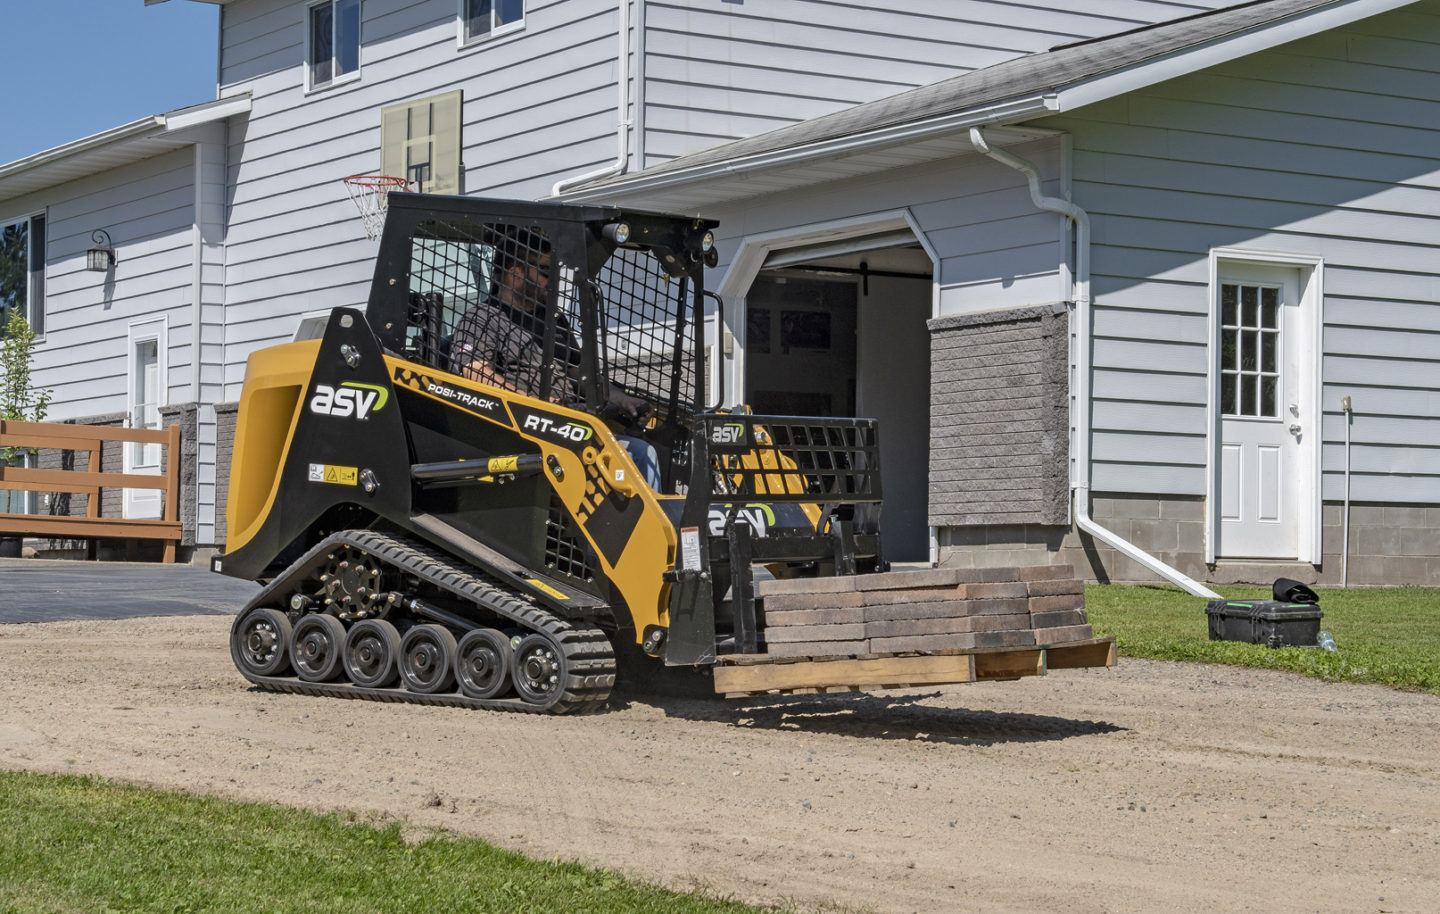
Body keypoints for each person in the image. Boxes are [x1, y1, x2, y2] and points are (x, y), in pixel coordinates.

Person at [451, 229, 662, 489]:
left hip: (568, 425)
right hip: (522, 431)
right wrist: (536, 405)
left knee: (647, 446)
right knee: (637, 453)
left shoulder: (553, 320)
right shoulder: (482, 318)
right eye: (544, 272)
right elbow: (474, 372)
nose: (552, 281)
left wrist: (622, 399)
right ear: (515, 273)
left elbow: (578, 371)